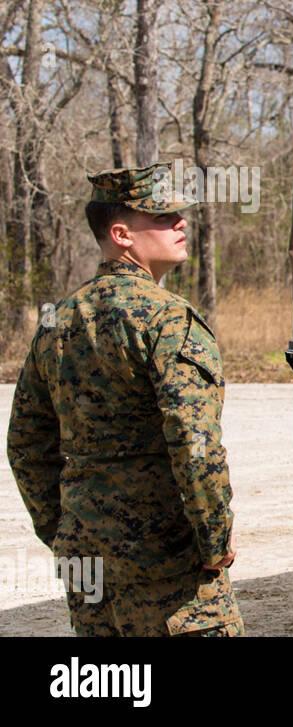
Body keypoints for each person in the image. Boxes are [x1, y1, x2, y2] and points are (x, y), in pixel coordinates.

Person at [7, 163, 242, 636]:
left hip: (87, 563)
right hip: (165, 560)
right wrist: (214, 537)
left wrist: (63, 532)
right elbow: (195, 444)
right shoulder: (167, 320)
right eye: (161, 217)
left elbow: (26, 445)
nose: (180, 224)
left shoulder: (58, 320)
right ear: (121, 234)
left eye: (179, 215)